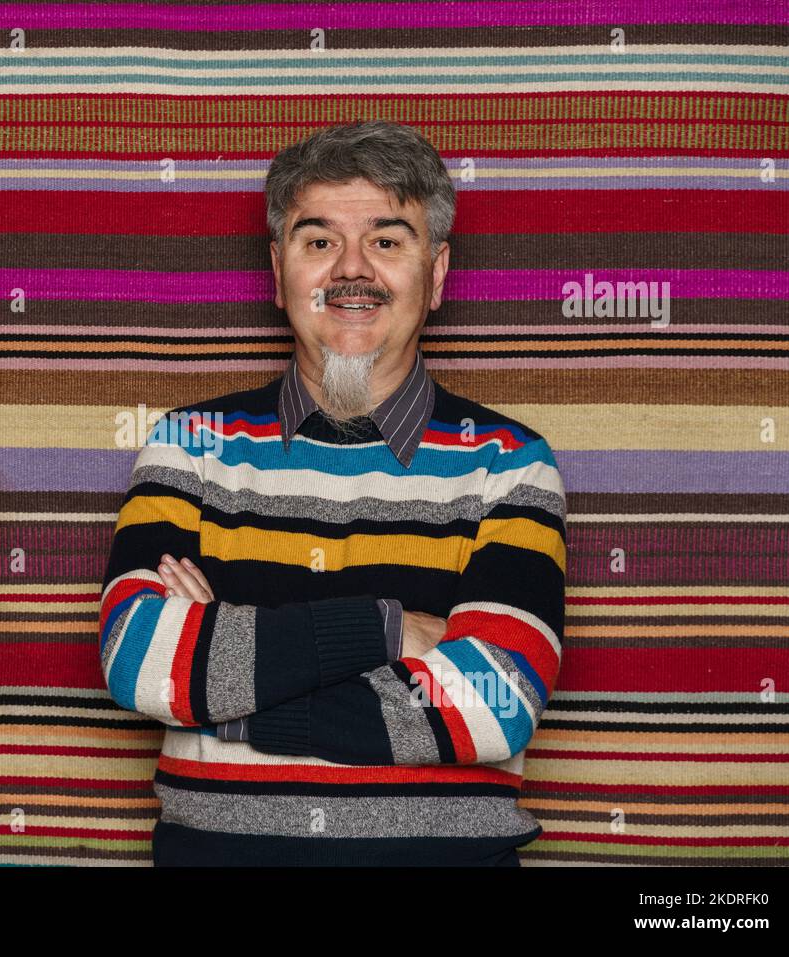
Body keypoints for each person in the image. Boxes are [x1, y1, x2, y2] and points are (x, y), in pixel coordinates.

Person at [99, 120, 567, 866]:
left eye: (387, 241)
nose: (352, 270)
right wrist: (388, 631)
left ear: (436, 273)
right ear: (277, 268)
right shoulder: (188, 446)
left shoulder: (509, 464)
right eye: (319, 241)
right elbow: (139, 660)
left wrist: (226, 703)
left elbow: (494, 704)